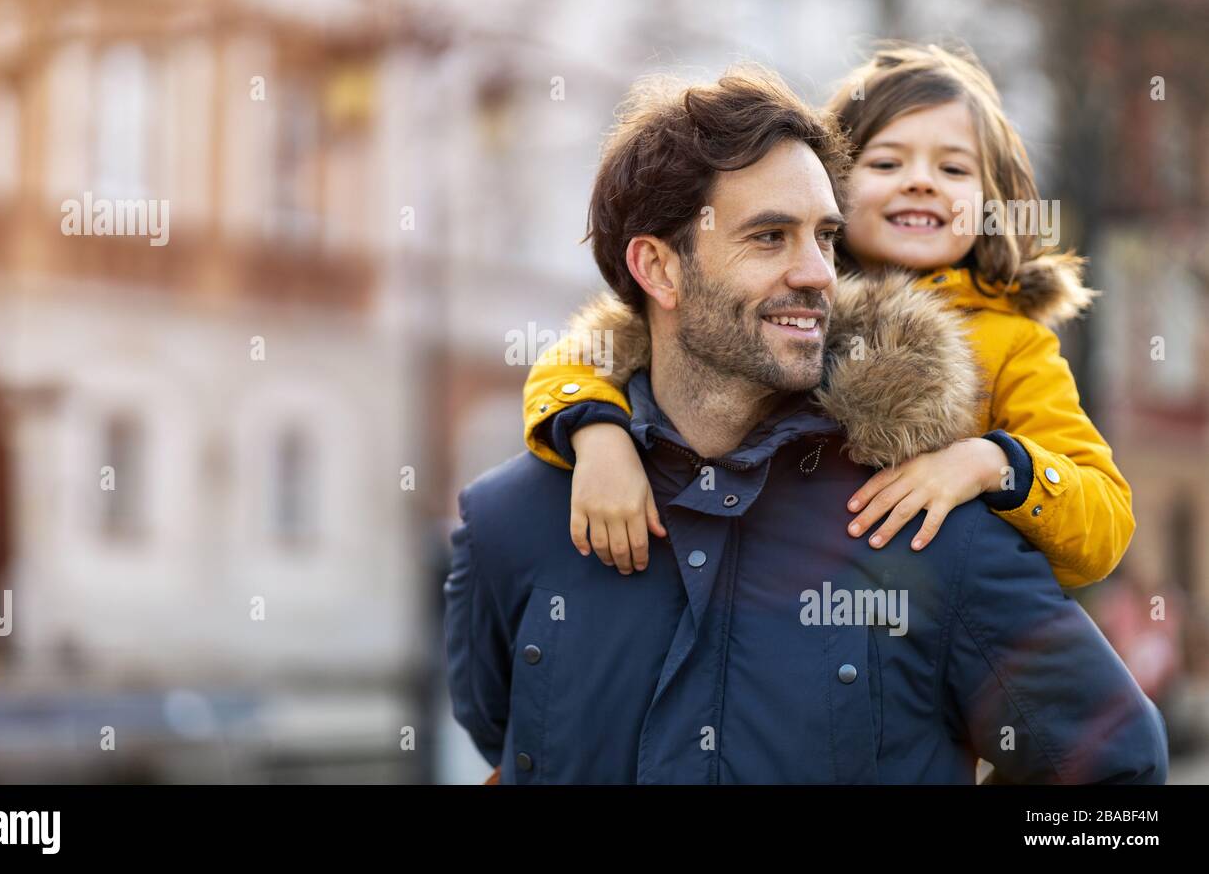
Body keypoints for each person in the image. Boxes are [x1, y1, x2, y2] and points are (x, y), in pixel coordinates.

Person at [443, 63, 1166, 783]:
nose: (816, 271)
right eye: (769, 236)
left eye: (823, 237)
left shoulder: (933, 523)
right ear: (656, 271)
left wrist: (997, 463)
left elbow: (1116, 772)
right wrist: (595, 432)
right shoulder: (513, 521)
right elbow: (510, 735)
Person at [522, 44, 1132, 591]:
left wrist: (994, 463)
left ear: (992, 199)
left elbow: (1103, 525)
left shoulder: (1013, 342)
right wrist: (598, 435)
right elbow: (586, 355)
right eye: (888, 163)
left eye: (953, 169)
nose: (920, 183)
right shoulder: (780, 303)